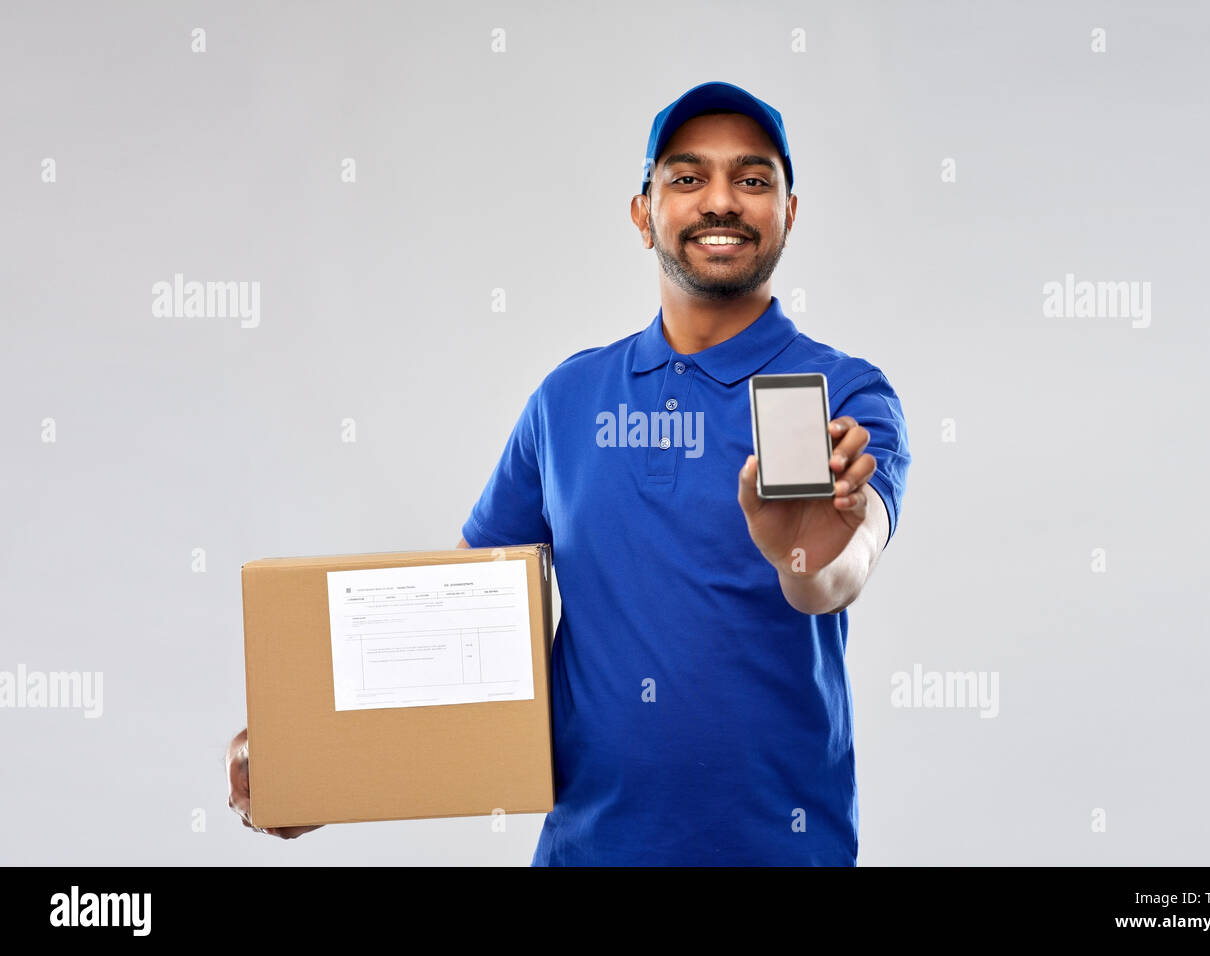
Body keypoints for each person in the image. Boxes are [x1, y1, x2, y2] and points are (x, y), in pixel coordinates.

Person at [228, 80, 912, 864]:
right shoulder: (568, 399)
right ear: (642, 213)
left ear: (789, 212)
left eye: (753, 180)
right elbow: (466, 619)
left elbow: (837, 574)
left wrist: (804, 553)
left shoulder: (845, 394)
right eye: (687, 178)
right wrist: (318, 764)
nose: (720, 200)